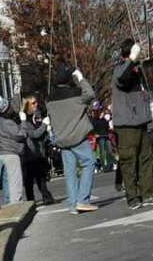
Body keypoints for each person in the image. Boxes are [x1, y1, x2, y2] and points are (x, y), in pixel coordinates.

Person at [110, 40, 153, 210]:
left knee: (146, 159)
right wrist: (132, 59)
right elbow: (122, 80)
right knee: (129, 161)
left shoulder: (136, 70)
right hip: (126, 124)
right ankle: (133, 197)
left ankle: (147, 194)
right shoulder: (121, 68)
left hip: (141, 120)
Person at [43, 66, 100, 214]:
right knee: (89, 163)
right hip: (78, 137)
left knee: (70, 172)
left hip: (62, 139)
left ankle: (73, 205)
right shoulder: (76, 95)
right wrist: (80, 78)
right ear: (70, 80)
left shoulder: (49, 100)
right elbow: (91, 93)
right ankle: (83, 200)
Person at [18, 98, 57, 207]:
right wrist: (44, 125)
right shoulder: (23, 119)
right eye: (33, 103)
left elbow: (40, 135)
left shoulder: (37, 115)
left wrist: (47, 128)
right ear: (27, 105)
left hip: (39, 152)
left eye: (36, 102)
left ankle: (46, 197)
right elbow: (33, 134)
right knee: (29, 181)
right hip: (28, 153)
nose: (36, 104)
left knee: (41, 177)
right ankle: (31, 201)